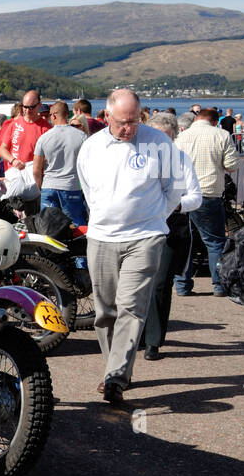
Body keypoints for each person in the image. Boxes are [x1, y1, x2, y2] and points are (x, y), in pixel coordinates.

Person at [76, 89, 192, 405]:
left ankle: (115, 377)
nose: (129, 128)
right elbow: (89, 190)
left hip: (145, 238)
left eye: (134, 121)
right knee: (104, 311)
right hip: (102, 238)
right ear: (107, 116)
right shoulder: (91, 147)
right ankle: (114, 366)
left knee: (130, 306)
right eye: (122, 122)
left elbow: (175, 189)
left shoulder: (159, 143)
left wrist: (155, 219)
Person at [141, 111, 202, 360]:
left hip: (170, 227)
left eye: (165, 137)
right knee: (136, 284)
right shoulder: (140, 158)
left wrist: (177, 205)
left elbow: (196, 198)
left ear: (174, 137)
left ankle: (153, 341)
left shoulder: (181, 160)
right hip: (141, 226)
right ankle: (135, 334)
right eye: (156, 136)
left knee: (159, 284)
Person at [174, 109, 238, 298]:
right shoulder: (222, 135)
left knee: (185, 241)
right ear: (215, 122)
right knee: (215, 241)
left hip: (183, 196)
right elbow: (232, 166)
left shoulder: (181, 137)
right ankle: (218, 285)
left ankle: (182, 285)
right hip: (208, 193)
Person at [32, 101, 88, 225]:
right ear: (67, 115)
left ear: (54, 115)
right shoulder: (82, 136)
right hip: (71, 187)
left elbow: (36, 169)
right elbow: (88, 166)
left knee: (49, 227)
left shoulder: (44, 138)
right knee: (76, 226)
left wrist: (41, 187)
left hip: (49, 186)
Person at [0, 90, 49, 174]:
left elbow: (50, 155)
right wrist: (13, 160)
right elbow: (2, 149)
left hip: (34, 176)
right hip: (14, 175)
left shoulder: (46, 128)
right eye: (25, 107)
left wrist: (35, 165)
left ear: (39, 106)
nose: (28, 110)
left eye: (31, 107)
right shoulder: (14, 124)